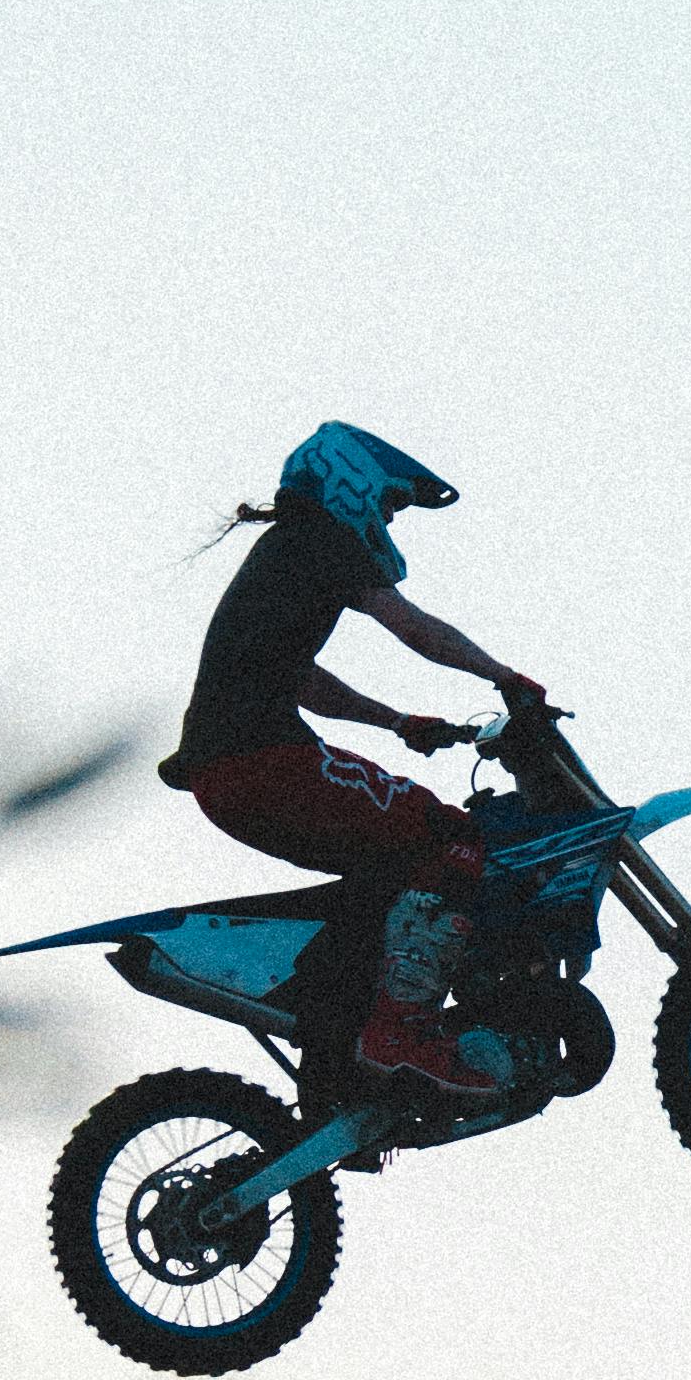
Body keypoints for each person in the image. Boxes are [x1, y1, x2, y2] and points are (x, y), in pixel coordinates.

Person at [158, 422, 547, 1101]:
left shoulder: (284, 555)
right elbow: (413, 627)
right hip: (264, 761)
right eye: (391, 503)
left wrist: (396, 721)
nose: (390, 518)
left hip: (227, 776)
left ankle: (338, 1057)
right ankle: (400, 1035)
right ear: (354, 483)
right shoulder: (321, 541)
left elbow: (301, 678)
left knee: (387, 877)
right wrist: (505, 677)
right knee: (454, 838)